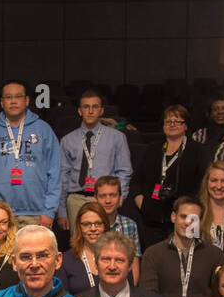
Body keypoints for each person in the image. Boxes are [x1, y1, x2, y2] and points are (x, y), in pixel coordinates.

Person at [0, 80, 61, 229]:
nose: (13, 101)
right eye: (8, 97)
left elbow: (55, 174)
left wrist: (49, 211)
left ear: (27, 100)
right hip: (0, 215)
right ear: (2, 102)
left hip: (37, 214)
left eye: (18, 96)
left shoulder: (44, 130)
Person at [138, 195, 224, 297]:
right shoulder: (153, 254)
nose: (187, 223)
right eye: (183, 217)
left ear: (201, 222)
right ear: (174, 217)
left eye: (193, 219)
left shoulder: (215, 255)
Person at [57, 90, 133, 232]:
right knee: (78, 247)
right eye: (86, 107)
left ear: (101, 111)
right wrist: (62, 210)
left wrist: (119, 199)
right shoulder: (67, 140)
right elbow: (62, 176)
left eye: (95, 107)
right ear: (80, 111)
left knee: (105, 245)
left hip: (105, 199)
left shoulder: (116, 137)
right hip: (76, 199)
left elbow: (124, 171)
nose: (90, 111)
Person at [131, 105, 209, 243]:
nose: (172, 124)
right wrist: (141, 201)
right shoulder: (152, 148)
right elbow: (136, 179)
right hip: (152, 217)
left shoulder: (198, 150)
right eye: (168, 121)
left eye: (177, 121)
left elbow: (204, 183)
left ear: (186, 126)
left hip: (187, 216)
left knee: (187, 256)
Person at [94, 175, 142, 280]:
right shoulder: (91, 226)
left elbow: (134, 262)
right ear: (96, 199)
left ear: (120, 198)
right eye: (103, 196)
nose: (108, 201)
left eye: (113, 195)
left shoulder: (130, 225)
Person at [57, 201, 110, 295]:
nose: (93, 228)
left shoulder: (117, 256)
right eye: (86, 224)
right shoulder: (65, 261)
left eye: (98, 223)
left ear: (105, 225)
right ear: (79, 227)